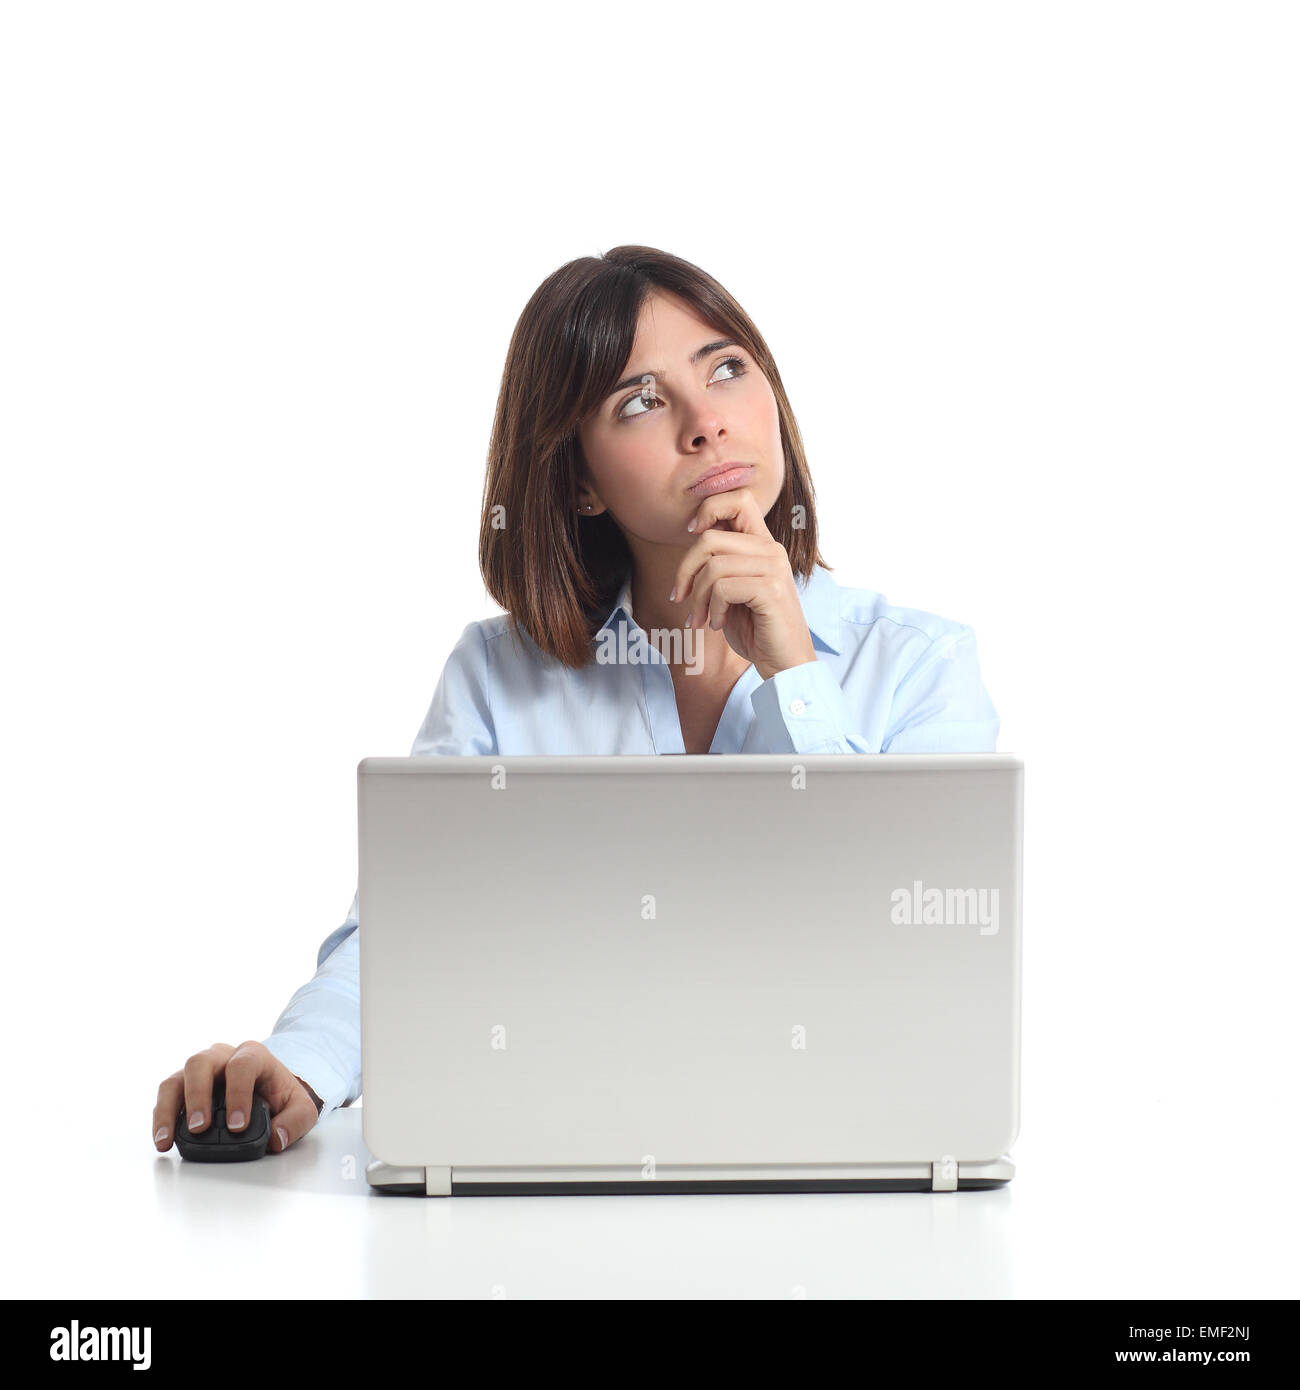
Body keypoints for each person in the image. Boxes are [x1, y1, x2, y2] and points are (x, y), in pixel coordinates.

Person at [151, 245, 1000, 1157]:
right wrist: (301, 1067)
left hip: (846, 1168)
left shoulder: (921, 664)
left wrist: (794, 671)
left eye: (726, 369)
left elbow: (916, 973)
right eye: (640, 401)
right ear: (582, 481)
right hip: (558, 1168)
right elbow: (412, 927)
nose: (706, 423)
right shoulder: (498, 676)